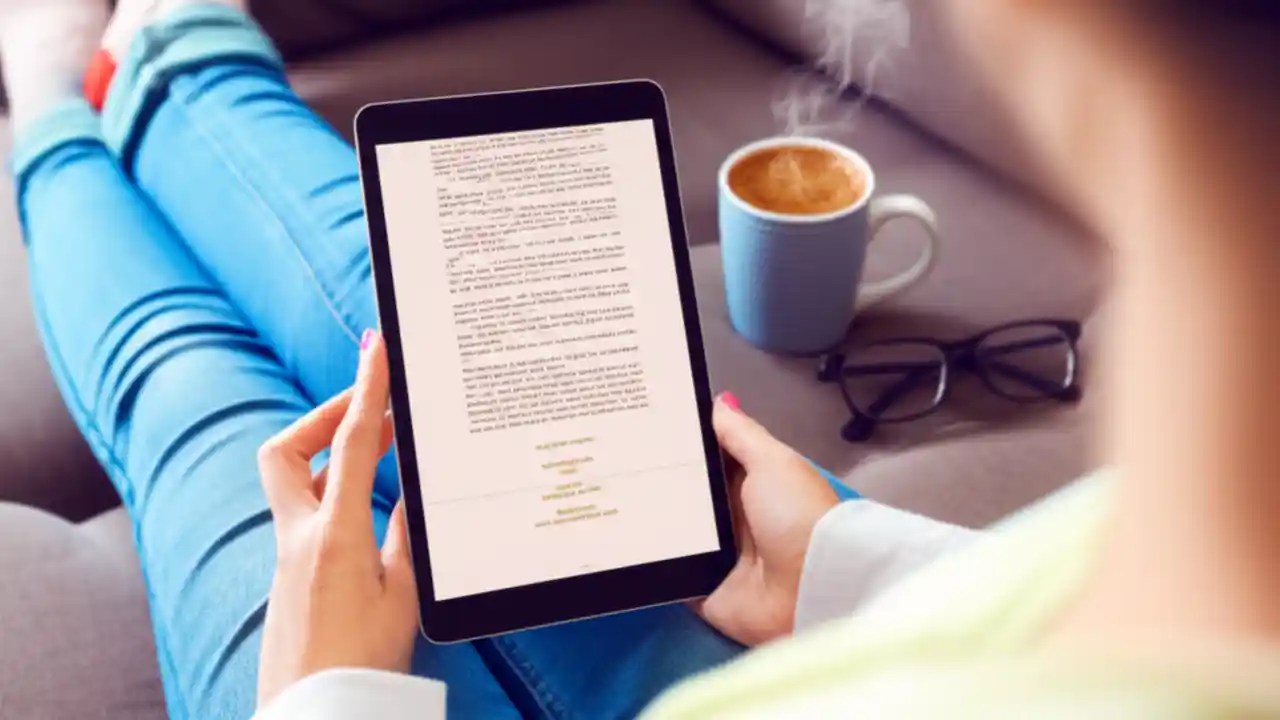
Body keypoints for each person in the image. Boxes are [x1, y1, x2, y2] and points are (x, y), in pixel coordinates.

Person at [5, 0, 1278, 718]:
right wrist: (850, 567)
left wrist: (327, 695)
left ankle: (61, 107)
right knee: (401, 312)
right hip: (788, 632)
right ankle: (176, 58)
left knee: (197, 394)